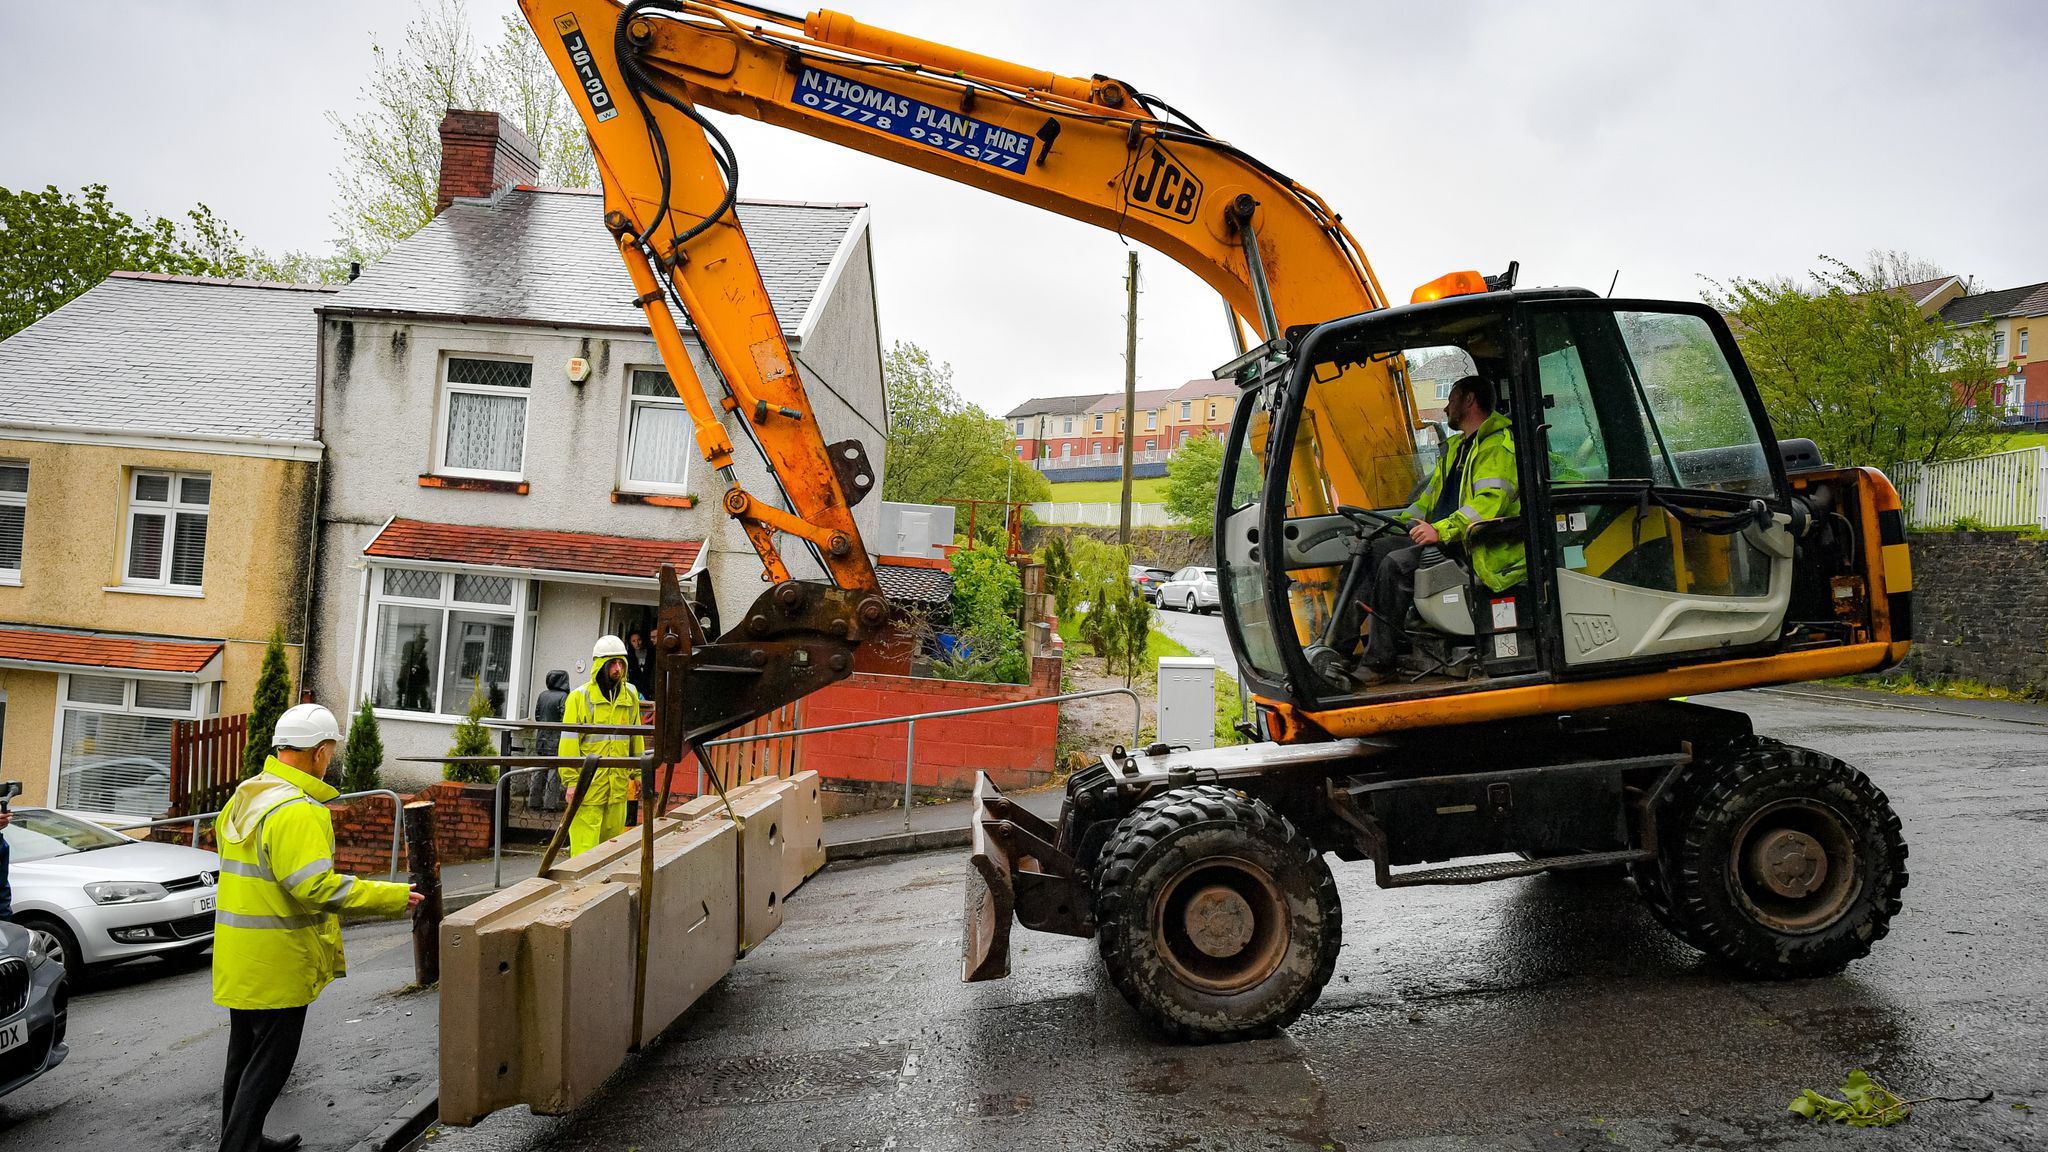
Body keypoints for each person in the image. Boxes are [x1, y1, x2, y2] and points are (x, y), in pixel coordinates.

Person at [213, 704, 421, 1152]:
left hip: (239, 956)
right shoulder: (297, 810)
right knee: (271, 1061)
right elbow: (315, 887)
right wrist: (392, 896)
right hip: (279, 958)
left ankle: (244, 1137)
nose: (330, 759)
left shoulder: (247, 795)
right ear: (319, 753)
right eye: (330, 751)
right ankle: (238, 1147)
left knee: (243, 1056)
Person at [1356, 375, 1524, 684]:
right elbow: (1428, 499)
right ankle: (1333, 651)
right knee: (1369, 552)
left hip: (1476, 545)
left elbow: (1489, 504)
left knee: (1395, 565)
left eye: (1452, 399)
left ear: (1470, 401)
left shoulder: (1496, 447)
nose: (1446, 407)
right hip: (1446, 537)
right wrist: (1392, 527)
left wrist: (1441, 531)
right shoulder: (1459, 448)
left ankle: (1381, 662)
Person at [558, 637, 647, 857]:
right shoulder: (579, 698)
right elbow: (568, 744)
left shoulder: (631, 695)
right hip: (588, 788)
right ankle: (581, 891)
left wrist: (639, 774)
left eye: (621, 664)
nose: (618, 669)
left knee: (611, 851)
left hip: (616, 787)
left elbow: (636, 737)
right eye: (613, 664)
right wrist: (570, 782)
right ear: (600, 666)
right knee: (584, 851)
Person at [525, 670, 573, 811]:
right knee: (554, 771)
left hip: (541, 737)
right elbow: (565, 718)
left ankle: (533, 802)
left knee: (538, 770)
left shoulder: (542, 695)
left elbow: (538, 715)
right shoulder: (564, 696)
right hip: (557, 738)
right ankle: (549, 804)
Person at [624, 628, 655, 698]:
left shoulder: (651, 653)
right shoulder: (628, 657)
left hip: (650, 689)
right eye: (633, 641)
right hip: (635, 690)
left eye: (639, 640)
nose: (637, 643)